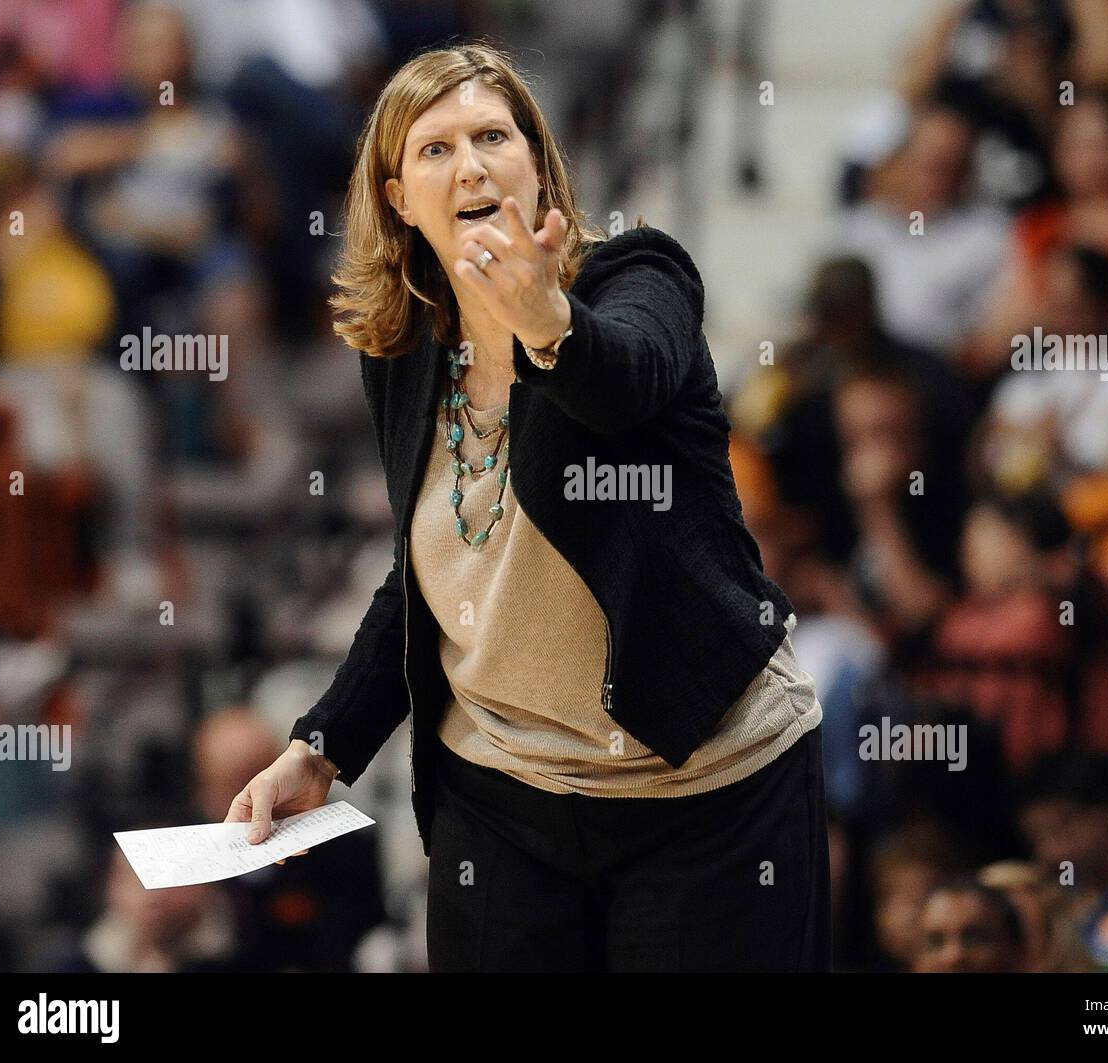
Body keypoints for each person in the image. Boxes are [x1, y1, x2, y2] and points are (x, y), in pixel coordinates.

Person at [224, 42, 831, 972]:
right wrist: (322, 744)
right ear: (397, 198)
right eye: (434, 149)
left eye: (492, 137)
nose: (468, 164)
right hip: (502, 801)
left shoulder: (641, 282)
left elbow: (623, 383)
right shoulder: (403, 346)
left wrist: (546, 321)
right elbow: (434, 572)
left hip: (704, 794)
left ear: (538, 168)